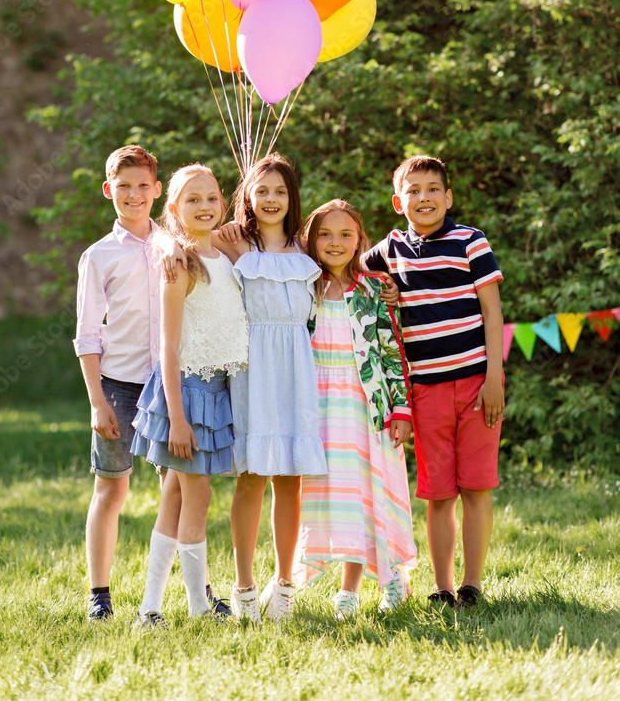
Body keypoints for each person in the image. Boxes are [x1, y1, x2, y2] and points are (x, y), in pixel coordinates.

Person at [163, 153, 327, 621]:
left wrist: (386, 286)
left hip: (295, 371)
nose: (271, 199)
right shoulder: (233, 242)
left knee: (289, 481)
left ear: (292, 197)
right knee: (250, 480)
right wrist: (168, 250)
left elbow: (349, 257)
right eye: (262, 191)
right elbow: (179, 233)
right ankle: (244, 586)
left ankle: (286, 583)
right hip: (252, 370)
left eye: (280, 191)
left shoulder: (306, 248)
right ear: (248, 198)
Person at [362, 155, 504, 608]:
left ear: (448, 197)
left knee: (476, 487)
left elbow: (492, 311)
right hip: (424, 389)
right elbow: (347, 263)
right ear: (398, 202)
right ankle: (442, 587)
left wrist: (495, 377)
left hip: (478, 384)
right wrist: (386, 288)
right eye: (413, 190)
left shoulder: (471, 242)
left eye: (431, 189)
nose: (423, 197)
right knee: (439, 491)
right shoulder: (390, 247)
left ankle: (471, 585)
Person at [131, 164, 249, 626]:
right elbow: (169, 347)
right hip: (185, 392)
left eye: (212, 197)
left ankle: (150, 608)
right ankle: (195, 606)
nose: (204, 206)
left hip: (217, 391)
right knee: (195, 500)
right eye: (192, 199)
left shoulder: (223, 255)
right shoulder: (179, 263)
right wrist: (177, 419)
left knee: (176, 501)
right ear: (174, 208)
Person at [293, 199, 417, 619]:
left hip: (366, 405)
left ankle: (368, 585)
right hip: (318, 406)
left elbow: (391, 350)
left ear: (360, 240)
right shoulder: (301, 285)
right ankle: (335, 582)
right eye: (325, 234)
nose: (335, 242)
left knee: (367, 494)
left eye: (346, 234)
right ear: (310, 239)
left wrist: (401, 410)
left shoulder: (371, 289)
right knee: (335, 497)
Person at [73, 145, 162, 621]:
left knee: (183, 490)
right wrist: (96, 402)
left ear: (157, 189)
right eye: (123, 186)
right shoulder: (99, 256)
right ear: (109, 191)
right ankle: (100, 595)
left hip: (169, 384)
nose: (133, 194)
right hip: (118, 387)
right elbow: (87, 334)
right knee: (111, 488)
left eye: (142, 185)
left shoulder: (174, 245)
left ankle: (196, 586)